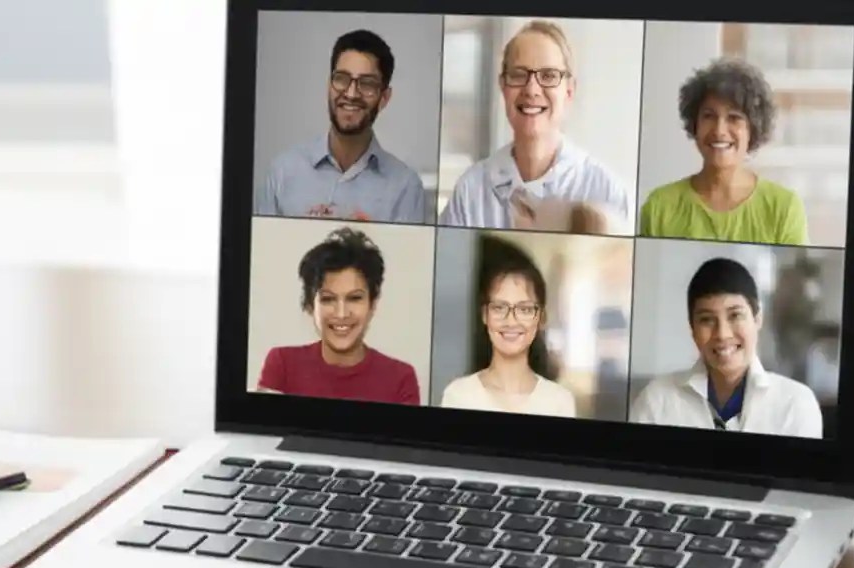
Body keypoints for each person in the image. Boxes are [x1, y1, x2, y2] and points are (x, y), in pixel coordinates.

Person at [439, 20, 629, 232]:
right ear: (503, 86)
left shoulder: (608, 193)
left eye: (548, 76)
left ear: (569, 91)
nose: (531, 90)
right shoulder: (470, 192)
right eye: (519, 75)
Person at [629, 257, 822, 437]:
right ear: (692, 329)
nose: (722, 334)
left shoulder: (795, 404)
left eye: (735, 315)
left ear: (757, 319)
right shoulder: (657, 400)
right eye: (707, 320)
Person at [255, 30, 428, 224]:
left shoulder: (405, 188)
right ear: (329, 85)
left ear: (384, 98)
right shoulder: (282, 172)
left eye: (367, 84)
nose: (351, 94)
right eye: (342, 79)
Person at [638, 58, 808, 245]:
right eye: (709, 116)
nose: (719, 130)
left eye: (734, 118)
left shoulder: (783, 208)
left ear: (753, 129)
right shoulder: (659, 207)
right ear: (695, 124)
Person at [257, 226, 421, 404]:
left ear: (372, 304)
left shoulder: (400, 380)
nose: (341, 314)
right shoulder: (282, 365)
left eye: (354, 298)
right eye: (328, 299)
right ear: (311, 305)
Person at [441, 238, 576, 417]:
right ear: (484, 315)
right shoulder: (458, 395)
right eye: (499, 308)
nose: (511, 321)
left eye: (525, 309)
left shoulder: (560, 401)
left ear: (541, 318)